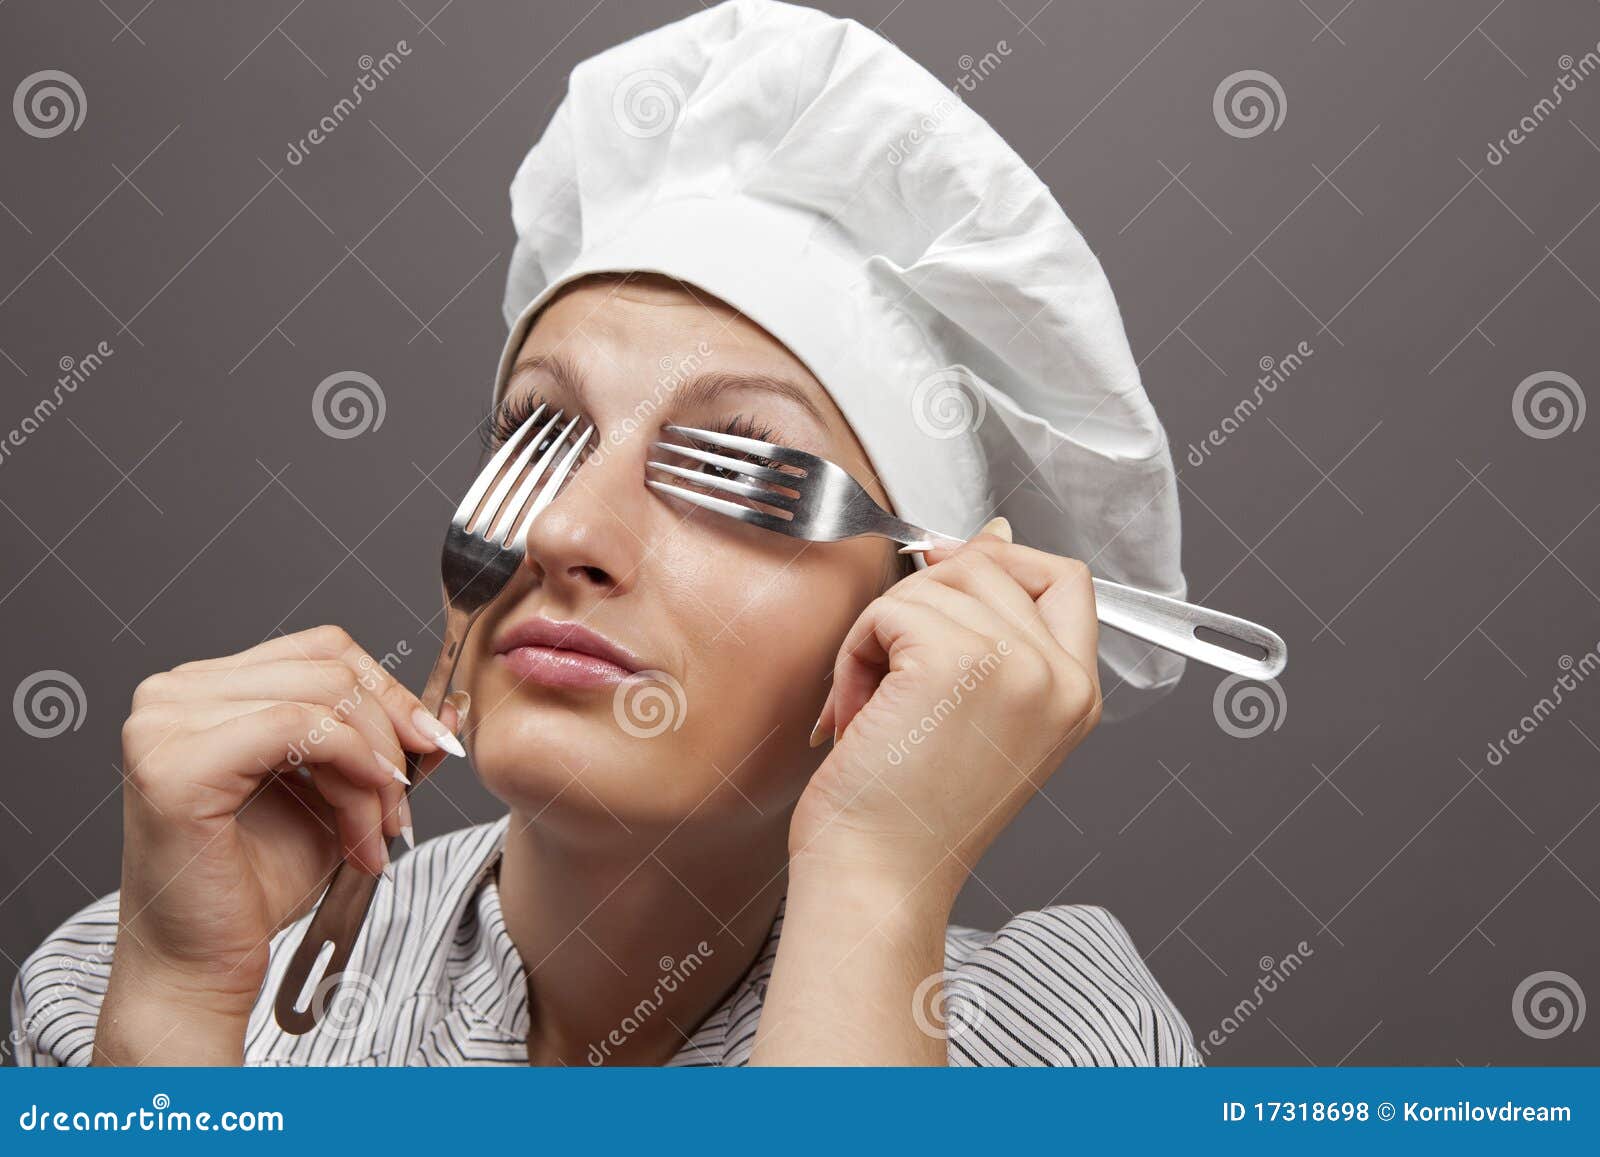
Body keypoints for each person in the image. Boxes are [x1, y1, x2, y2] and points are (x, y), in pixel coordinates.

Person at [12, 0, 1197, 1067]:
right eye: (539, 427)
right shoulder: (145, 971)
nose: (565, 526)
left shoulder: (1059, 1046)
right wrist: (174, 1009)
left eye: (736, 470)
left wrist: (876, 889)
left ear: (908, 610)